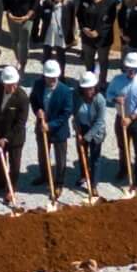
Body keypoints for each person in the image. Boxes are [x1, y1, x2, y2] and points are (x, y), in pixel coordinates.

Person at [105, 51, 137, 192]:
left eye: (134, 69)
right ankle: (123, 169)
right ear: (125, 67)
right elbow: (108, 94)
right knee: (122, 146)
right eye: (129, 68)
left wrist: (130, 118)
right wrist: (115, 99)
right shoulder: (117, 80)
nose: (131, 71)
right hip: (120, 118)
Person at [0, 65, 30, 198]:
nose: (12, 87)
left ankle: (11, 188)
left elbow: (21, 123)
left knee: (14, 165)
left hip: (15, 137)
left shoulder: (22, 98)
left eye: (14, 84)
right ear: (4, 83)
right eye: (9, 85)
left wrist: (6, 138)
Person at [75, 0, 118, 85]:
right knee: (89, 61)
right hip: (86, 37)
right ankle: (90, 82)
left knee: (103, 62)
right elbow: (79, 15)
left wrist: (97, 32)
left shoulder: (111, 3)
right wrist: (83, 28)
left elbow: (109, 21)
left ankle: (102, 82)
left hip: (103, 39)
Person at [70, 71, 107, 191]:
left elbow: (99, 121)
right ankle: (84, 175)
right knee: (82, 154)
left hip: (96, 131)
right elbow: (74, 112)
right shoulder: (76, 95)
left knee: (95, 158)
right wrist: (77, 127)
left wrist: (86, 137)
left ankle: (94, 184)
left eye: (90, 88)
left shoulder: (100, 100)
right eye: (86, 89)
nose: (88, 91)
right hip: (82, 127)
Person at [41, 58, 76, 188]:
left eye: (54, 77)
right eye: (49, 77)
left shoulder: (65, 91)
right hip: (42, 126)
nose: (51, 80)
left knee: (60, 158)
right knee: (43, 154)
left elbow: (66, 113)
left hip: (59, 129)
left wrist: (50, 125)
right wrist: (38, 111)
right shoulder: (39, 85)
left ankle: (59, 183)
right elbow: (34, 99)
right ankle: (44, 176)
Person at [0, 0, 39, 70]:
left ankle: (23, 62)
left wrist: (28, 16)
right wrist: (9, 13)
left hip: (27, 17)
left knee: (24, 41)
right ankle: (18, 58)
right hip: (12, 16)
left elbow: (35, 1)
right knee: (14, 40)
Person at [38, 0, 76, 66]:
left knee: (61, 56)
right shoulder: (46, 4)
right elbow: (43, 18)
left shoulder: (69, 4)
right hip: (49, 33)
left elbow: (72, 21)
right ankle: (45, 76)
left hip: (61, 33)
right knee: (46, 55)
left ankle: (61, 76)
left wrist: (72, 36)